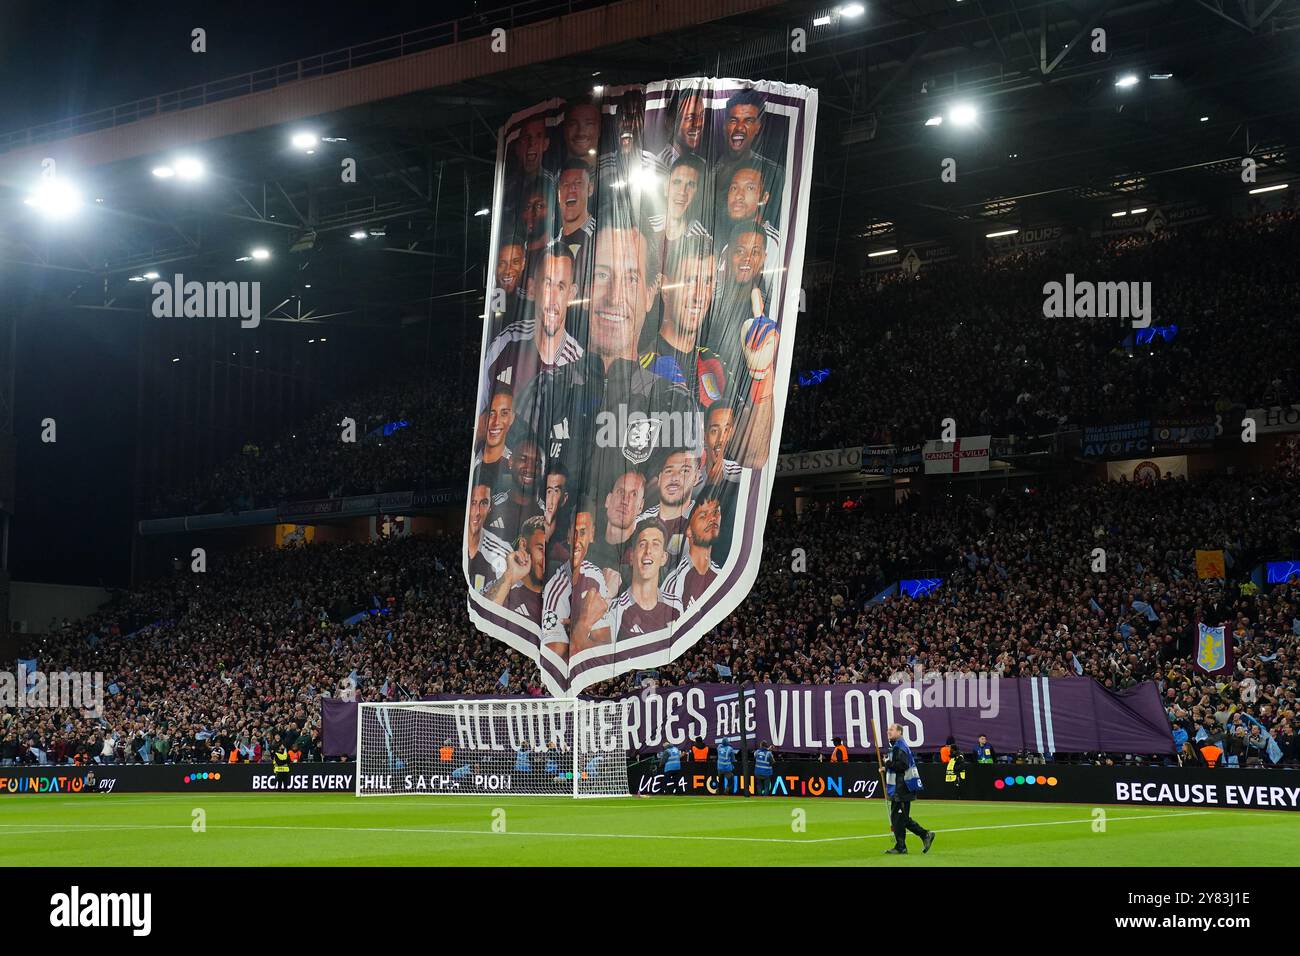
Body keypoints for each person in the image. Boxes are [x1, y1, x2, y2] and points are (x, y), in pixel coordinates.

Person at [884, 723, 934, 855]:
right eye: (888, 729)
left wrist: (888, 764)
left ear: (899, 732)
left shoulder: (900, 746)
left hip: (902, 788)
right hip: (900, 788)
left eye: (892, 729)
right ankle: (923, 835)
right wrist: (886, 767)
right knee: (901, 818)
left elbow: (902, 765)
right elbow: (898, 766)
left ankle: (903, 845)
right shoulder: (896, 746)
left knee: (899, 818)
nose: (888, 731)